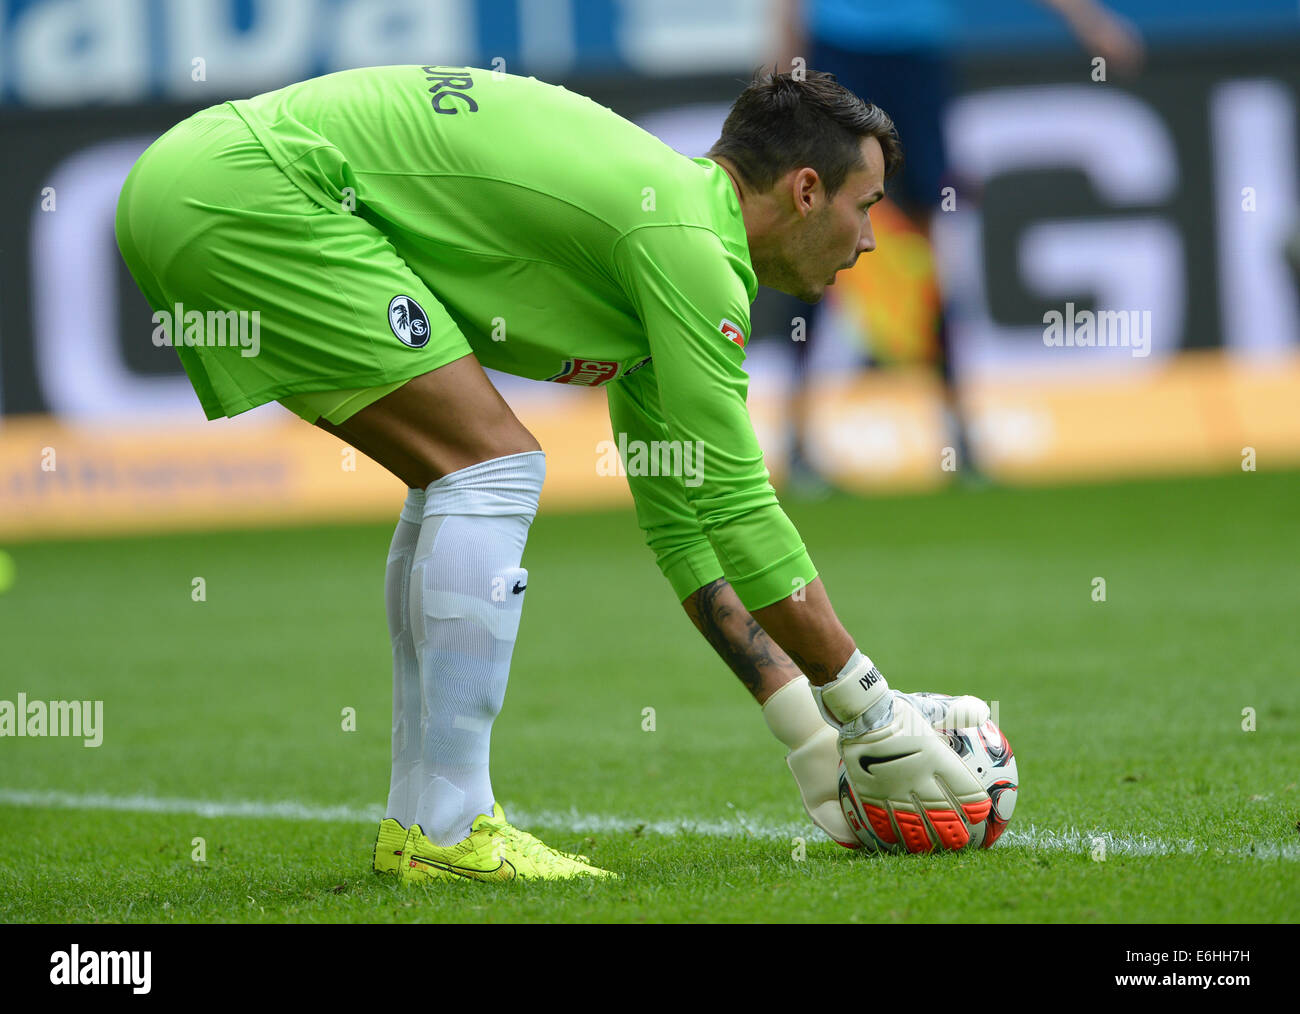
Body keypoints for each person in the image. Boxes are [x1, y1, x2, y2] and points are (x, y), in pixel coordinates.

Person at [115, 65, 989, 881]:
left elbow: (683, 521)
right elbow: (738, 504)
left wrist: (802, 725)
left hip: (205, 182)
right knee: (489, 464)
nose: (873, 240)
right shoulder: (685, 244)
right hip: (248, 190)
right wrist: (873, 710)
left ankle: (422, 826)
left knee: (457, 472)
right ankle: (451, 831)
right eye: (867, 206)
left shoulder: (671, 235)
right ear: (806, 190)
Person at [776, 0, 1144, 488]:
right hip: (839, 50)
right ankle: (798, 439)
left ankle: (957, 434)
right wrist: (783, 65)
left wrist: (1087, 17)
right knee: (819, 241)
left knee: (926, 254)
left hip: (916, 53)